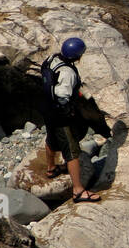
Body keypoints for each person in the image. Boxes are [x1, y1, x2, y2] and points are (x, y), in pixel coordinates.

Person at [40, 37, 101, 203]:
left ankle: (51, 169)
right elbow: (62, 96)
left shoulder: (52, 58)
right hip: (61, 116)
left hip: (46, 108)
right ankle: (78, 191)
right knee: (72, 151)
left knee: (51, 138)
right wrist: (69, 111)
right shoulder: (68, 72)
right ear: (78, 56)